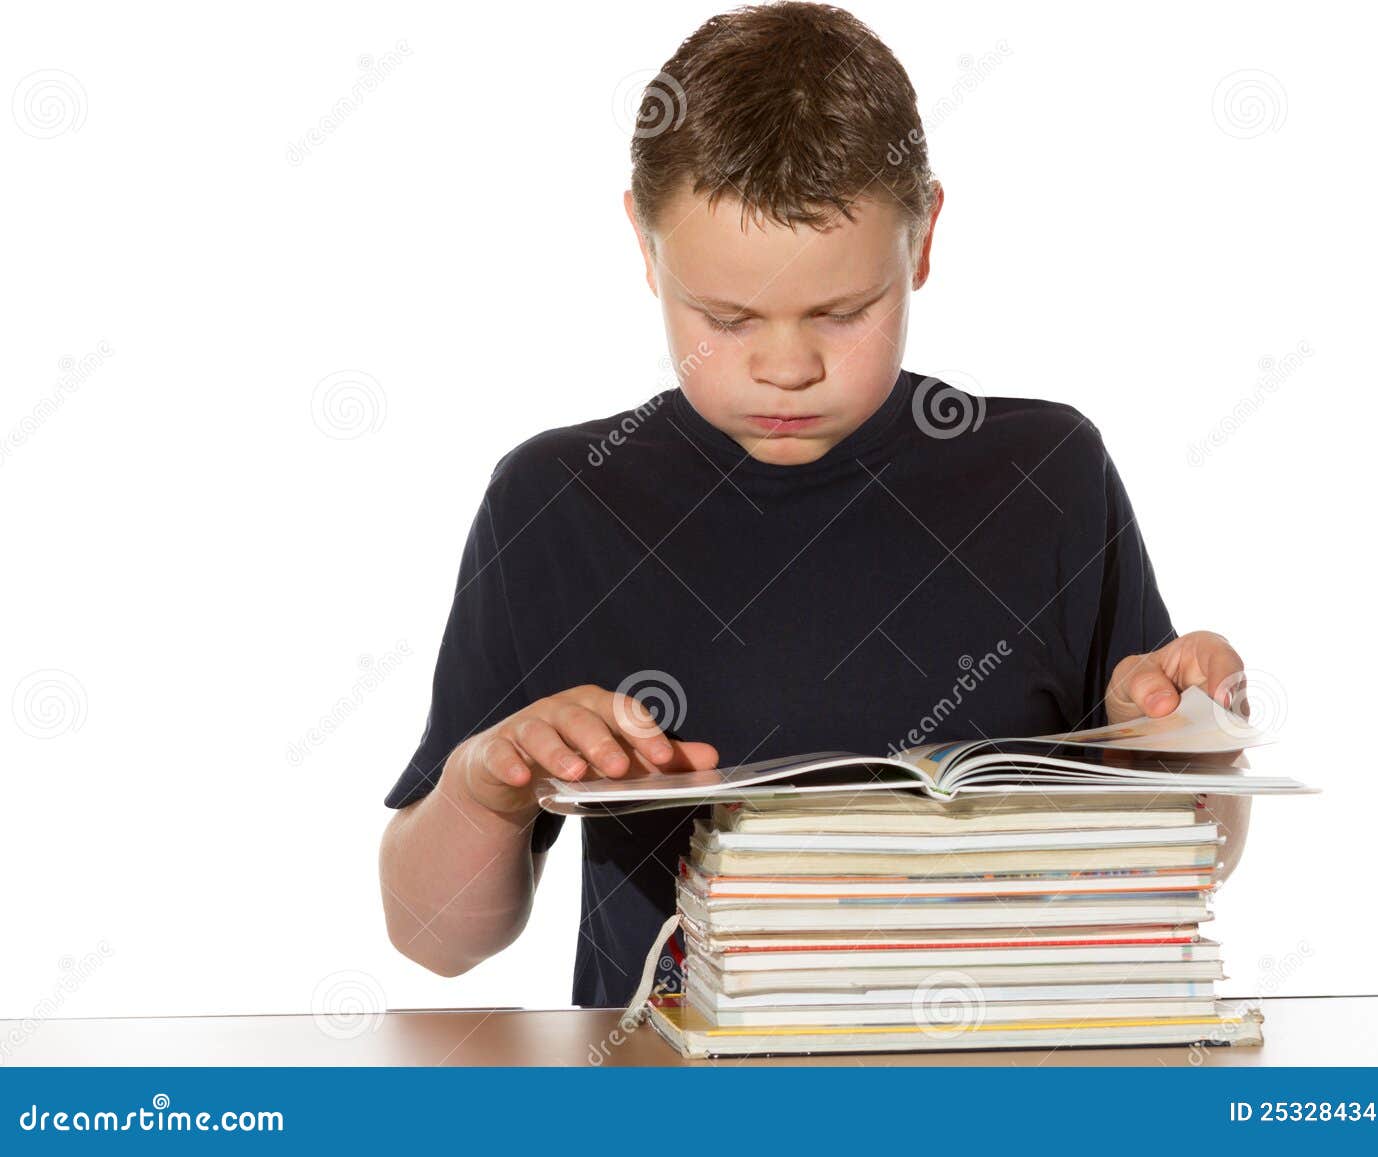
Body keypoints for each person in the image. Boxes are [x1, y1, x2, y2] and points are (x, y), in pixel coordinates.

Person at [378, 2, 1251, 1008]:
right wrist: (486, 786)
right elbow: (432, 938)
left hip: (1005, 1066)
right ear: (646, 250)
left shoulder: (1046, 473)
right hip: (669, 1082)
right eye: (726, 316)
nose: (786, 366)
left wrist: (1192, 742)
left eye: (842, 313)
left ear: (922, 239)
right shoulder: (559, 499)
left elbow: (1200, 859)